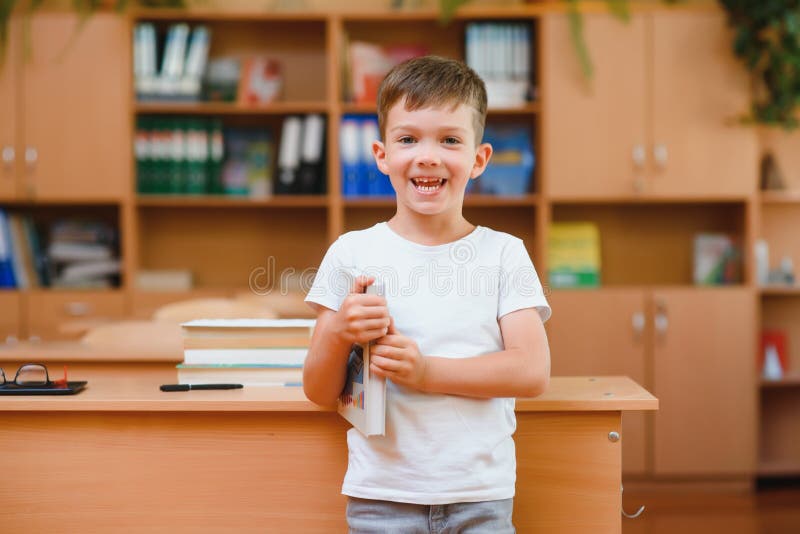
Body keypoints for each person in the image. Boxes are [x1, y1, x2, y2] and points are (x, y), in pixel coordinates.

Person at [303, 55, 551, 533]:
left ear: (478, 160)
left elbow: (532, 370)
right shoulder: (350, 252)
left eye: (451, 140)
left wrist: (426, 372)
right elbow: (318, 390)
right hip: (381, 498)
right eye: (408, 139)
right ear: (381, 155)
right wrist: (338, 330)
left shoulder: (505, 255)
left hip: (480, 497)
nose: (428, 156)